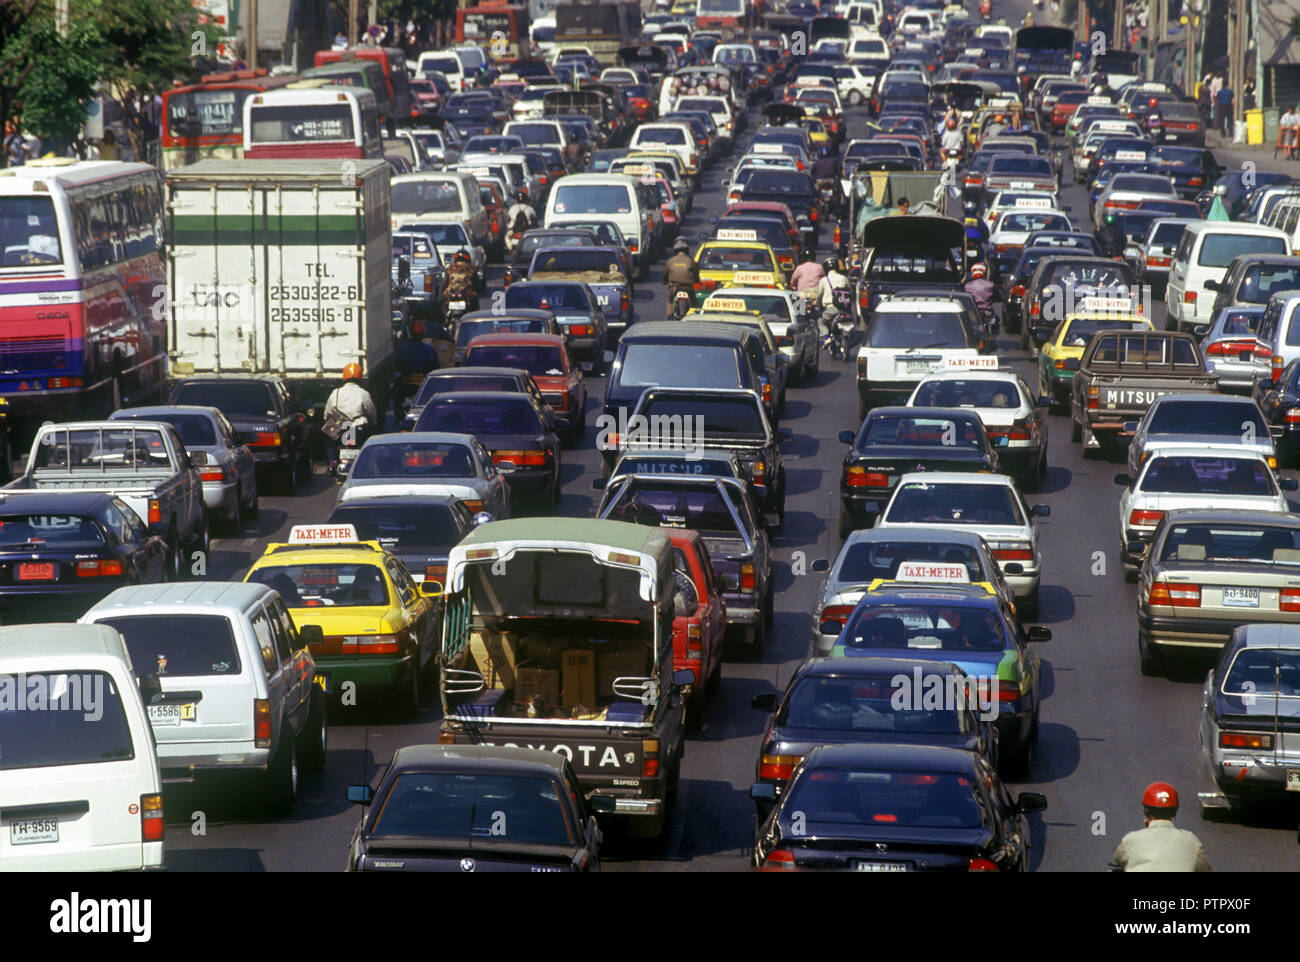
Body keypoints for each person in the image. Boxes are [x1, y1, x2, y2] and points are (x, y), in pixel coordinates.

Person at [1112, 783, 1212, 872]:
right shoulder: (1191, 841)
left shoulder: (1131, 839)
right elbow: (1205, 868)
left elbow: (1117, 860)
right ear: (1175, 812)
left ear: (1146, 810)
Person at [324, 363, 379, 470]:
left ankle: (332, 461)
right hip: (359, 429)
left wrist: (327, 419)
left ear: (344, 376)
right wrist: (374, 423)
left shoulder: (336, 392)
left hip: (340, 429)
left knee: (328, 439)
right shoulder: (364, 393)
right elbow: (371, 412)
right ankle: (368, 464)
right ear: (360, 377)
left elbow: (327, 412)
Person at [814, 257, 851, 334]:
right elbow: (851, 293)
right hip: (844, 310)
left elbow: (819, 296)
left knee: (820, 321)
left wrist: (816, 303)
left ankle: (827, 338)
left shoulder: (824, 280)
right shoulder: (844, 278)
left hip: (831, 309)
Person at [663, 237, 699, 315]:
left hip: (674, 288)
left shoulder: (670, 261)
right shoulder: (691, 261)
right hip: (688, 288)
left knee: (670, 301)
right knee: (694, 302)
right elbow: (696, 273)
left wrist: (665, 281)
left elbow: (665, 274)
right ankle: (695, 315)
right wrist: (696, 281)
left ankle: (669, 315)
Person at [965, 262, 995, 332]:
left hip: (972, 314)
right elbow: (997, 297)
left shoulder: (967, 285)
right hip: (988, 314)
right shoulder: (991, 284)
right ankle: (993, 336)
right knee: (996, 319)